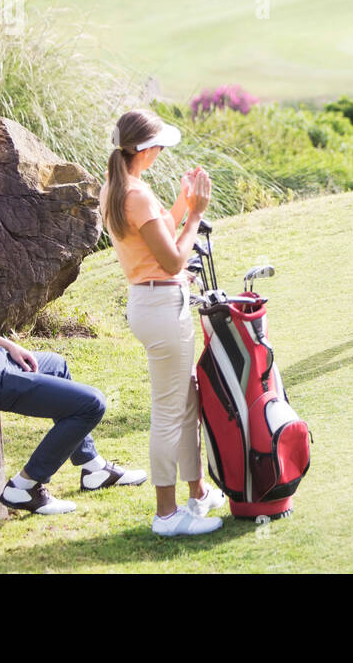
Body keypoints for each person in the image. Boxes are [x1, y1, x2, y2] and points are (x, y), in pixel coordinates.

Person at [0, 133, 146, 515]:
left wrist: (6, 344)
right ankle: (26, 487)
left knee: (57, 365)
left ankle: (92, 469)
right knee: (91, 405)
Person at [101, 109, 225, 536]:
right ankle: (167, 515)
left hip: (151, 303)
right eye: (159, 145)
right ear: (145, 150)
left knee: (187, 400)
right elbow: (174, 257)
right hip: (161, 308)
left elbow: (156, 238)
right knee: (170, 412)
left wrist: (180, 204)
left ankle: (198, 493)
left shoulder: (119, 190)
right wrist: (196, 214)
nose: (161, 151)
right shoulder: (135, 194)